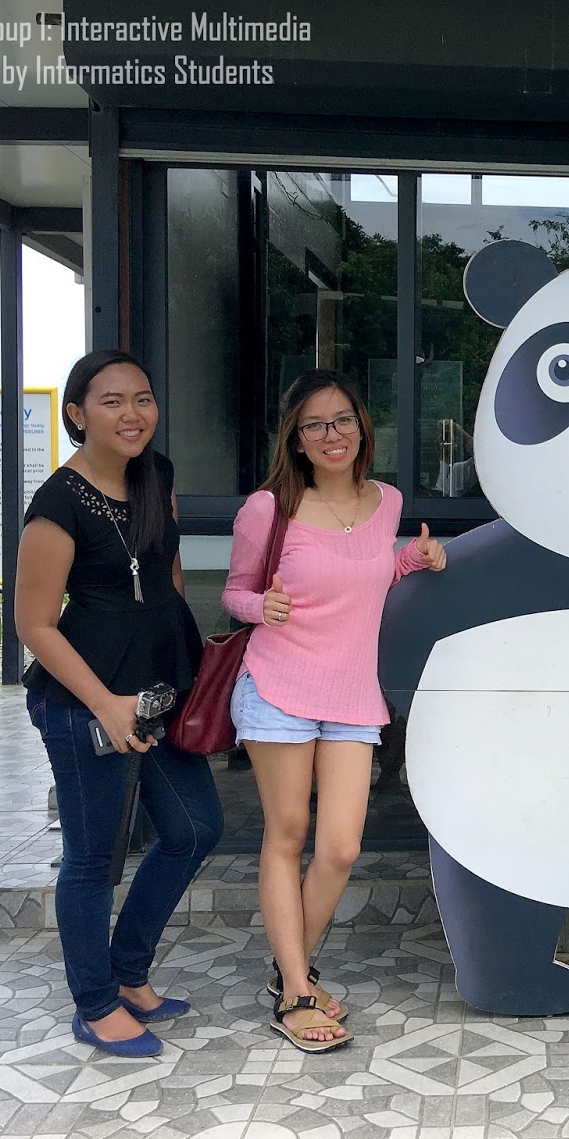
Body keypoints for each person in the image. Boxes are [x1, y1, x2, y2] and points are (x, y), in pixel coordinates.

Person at [223, 370, 446, 1053]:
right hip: (279, 686)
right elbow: (235, 592)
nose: (331, 434)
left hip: (351, 694)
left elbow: (369, 574)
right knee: (288, 832)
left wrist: (413, 558)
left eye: (342, 419)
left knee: (342, 846)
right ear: (296, 438)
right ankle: (296, 988)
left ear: (361, 425)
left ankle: (289, 969)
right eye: (314, 424)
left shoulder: (387, 502)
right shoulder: (268, 508)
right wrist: (260, 605)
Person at [16, 349, 223, 1059]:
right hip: (84, 703)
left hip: (156, 693)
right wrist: (105, 702)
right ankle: (96, 1002)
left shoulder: (155, 474)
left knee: (194, 828)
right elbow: (34, 624)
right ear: (77, 414)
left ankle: (128, 971)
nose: (132, 414)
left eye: (143, 398)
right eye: (112, 401)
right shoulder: (57, 503)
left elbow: (166, 570)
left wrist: (182, 663)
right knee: (92, 858)